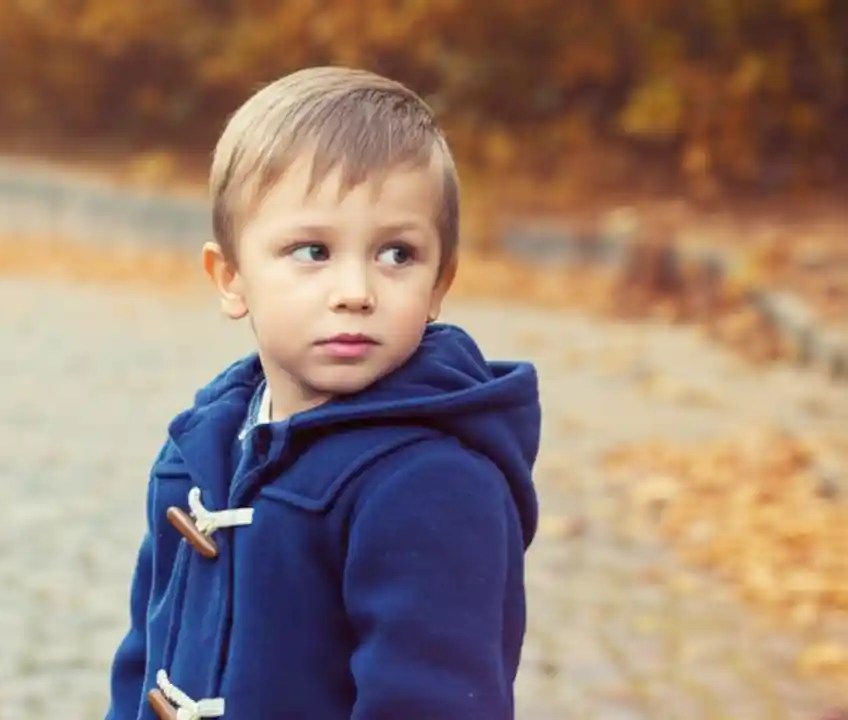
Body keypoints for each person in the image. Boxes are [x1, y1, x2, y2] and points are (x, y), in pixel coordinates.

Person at [103, 65, 541, 719]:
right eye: (312, 251)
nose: (356, 291)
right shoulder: (197, 456)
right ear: (231, 279)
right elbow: (145, 659)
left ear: (439, 283)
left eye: (396, 254)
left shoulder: (433, 484)